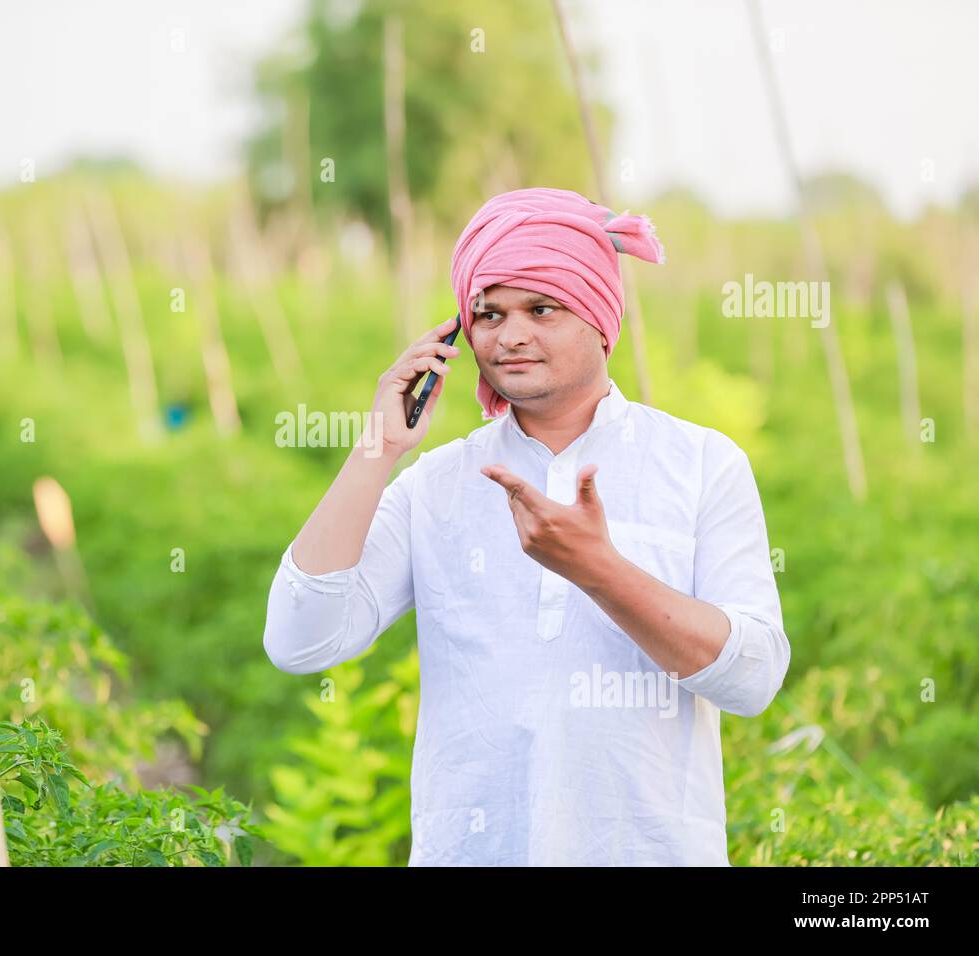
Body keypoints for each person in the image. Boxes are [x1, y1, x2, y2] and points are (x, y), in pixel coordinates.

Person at [262, 187, 790, 865]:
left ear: (601, 317)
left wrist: (600, 571)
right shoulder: (437, 484)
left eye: (542, 308)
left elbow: (753, 678)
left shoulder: (700, 465)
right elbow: (300, 641)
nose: (509, 335)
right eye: (487, 313)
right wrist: (378, 449)